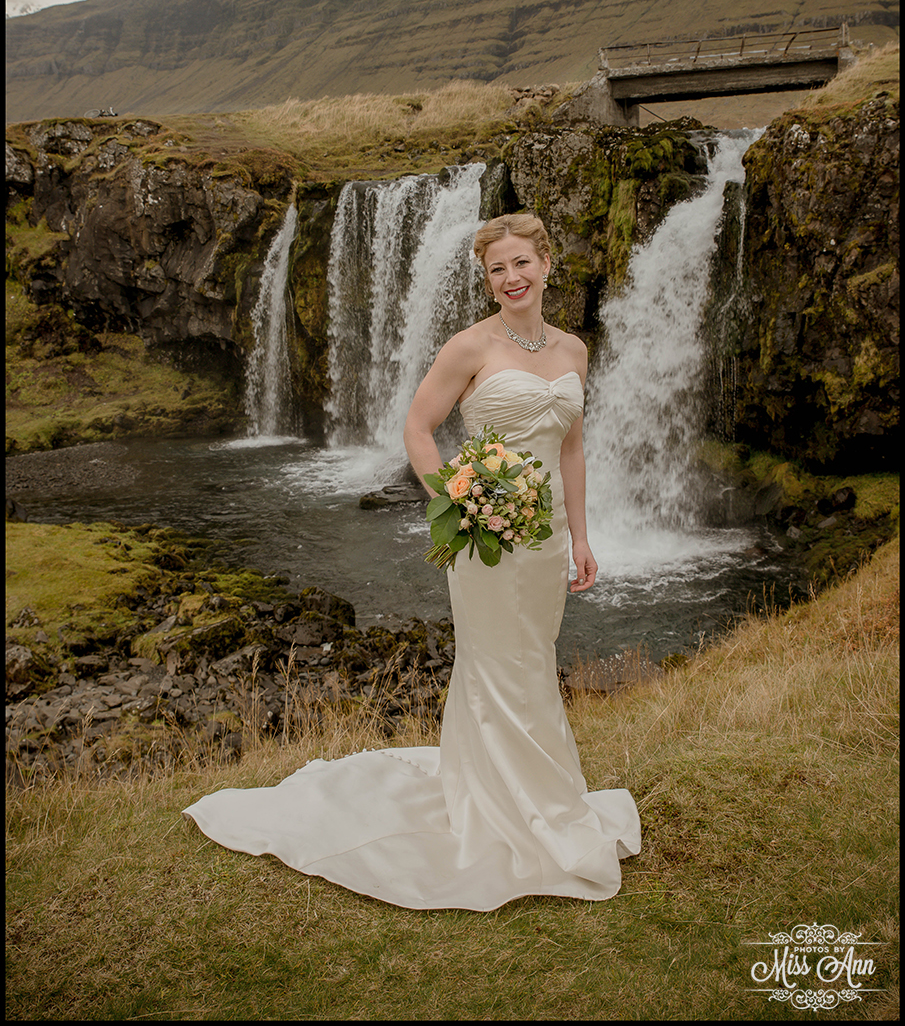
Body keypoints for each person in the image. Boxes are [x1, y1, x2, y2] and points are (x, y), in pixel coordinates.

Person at [184, 212, 640, 910]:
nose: (511, 278)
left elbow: (571, 449)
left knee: (531, 661)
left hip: (547, 538)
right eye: (496, 269)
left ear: (547, 265)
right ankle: (509, 812)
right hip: (487, 537)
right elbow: (418, 428)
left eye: (521, 263)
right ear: (487, 280)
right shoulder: (470, 346)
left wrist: (580, 537)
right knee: (498, 667)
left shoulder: (573, 351)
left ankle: (539, 797)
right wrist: (459, 499)